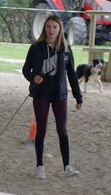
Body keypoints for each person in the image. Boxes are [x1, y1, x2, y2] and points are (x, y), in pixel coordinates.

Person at [22, 14, 83, 179]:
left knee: (62, 130)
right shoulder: (36, 47)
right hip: (41, 94)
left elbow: (72, 75)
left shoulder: (66, 48)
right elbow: (26, 70)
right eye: (48, 27)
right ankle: (40, 166)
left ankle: (67, 166)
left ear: (60, 29)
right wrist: (33, 77)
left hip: (60, 94)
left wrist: (78, 97)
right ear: (45, 28)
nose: (51, 30)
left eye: (54, 27)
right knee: (41, 130)